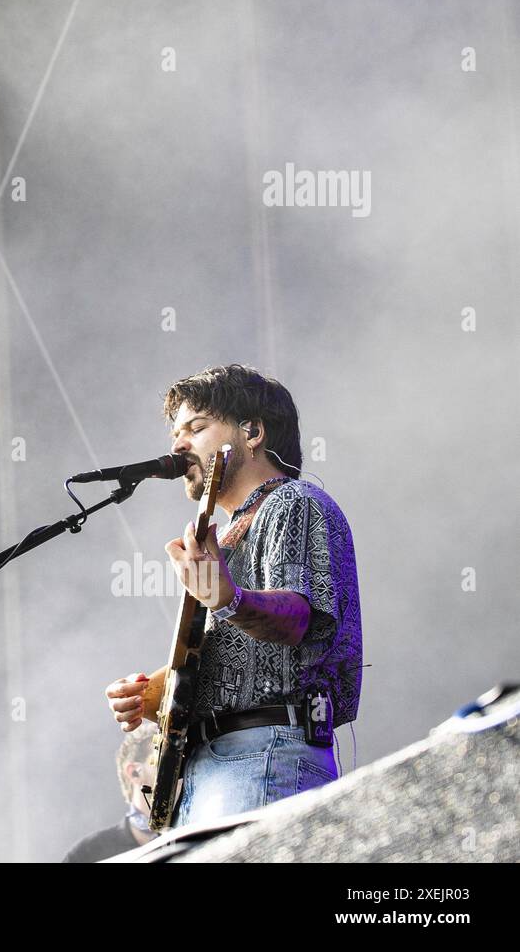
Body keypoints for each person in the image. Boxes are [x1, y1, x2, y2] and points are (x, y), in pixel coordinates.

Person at [104, 364, 362, 829]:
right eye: (175, 433)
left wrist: (229, 600)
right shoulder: (223, 537)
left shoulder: (293, 503)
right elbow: (232, 651)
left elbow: (300, 616)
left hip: (265, 752)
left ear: (253, 432)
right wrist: (153, 693)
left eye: (196, 428)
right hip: (211, 765)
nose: (178, 445)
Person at [62, 721, 158, 861]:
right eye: (167, 760)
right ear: (134, 773)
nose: (184, 772)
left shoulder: (198, 838)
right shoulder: (86, 856)